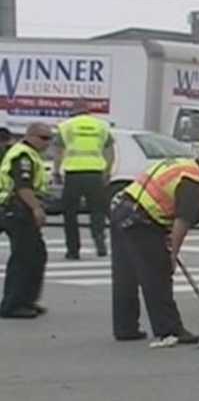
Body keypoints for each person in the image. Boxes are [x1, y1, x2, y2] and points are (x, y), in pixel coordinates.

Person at [109, 151, 199, 343]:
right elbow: (182, 220)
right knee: (158, 274)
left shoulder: (180, 165)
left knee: (126, 274)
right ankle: (169, 329)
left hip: (123, 209)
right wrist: (172, 254)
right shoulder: (193, 179)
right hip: (141, 219)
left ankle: (125, 327)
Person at [0, 123, 55, 319]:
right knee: (24, 258)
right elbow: (23, 187)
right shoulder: (23, 156)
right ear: (30, 136)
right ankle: (12, 305)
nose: (47, 143)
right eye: (43, 138)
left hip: (21, 210)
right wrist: (36, 208)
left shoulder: (32, 155)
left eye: (50, 139)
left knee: (36, 255)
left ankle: (27, 300)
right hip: (17, 210)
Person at [52, 99, 115, 259]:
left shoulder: (66, 126)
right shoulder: (101, 126)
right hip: (95, 173)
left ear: (73, 110)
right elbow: (110, 152)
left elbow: (58, 151)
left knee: (70, 213)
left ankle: (73, 250)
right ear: (88, 110)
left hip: (73, 173)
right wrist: (107, 172)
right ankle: (99, 239)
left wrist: (56, 171)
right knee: (97, 210)